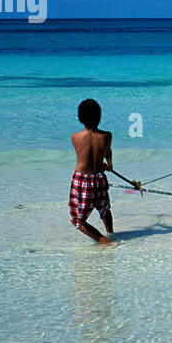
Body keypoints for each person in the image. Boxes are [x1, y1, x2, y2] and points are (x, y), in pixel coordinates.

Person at [70, 98, 114, 243]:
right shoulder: (107, 136)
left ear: (80, 118)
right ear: (99, 117)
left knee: (77, 221)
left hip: (82, 180)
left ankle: (103, 241)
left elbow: (86, 153)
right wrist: (109, 164)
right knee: (105, 209)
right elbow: (107, 151)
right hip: (99, 178)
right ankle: (111, 234)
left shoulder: (75, 137)